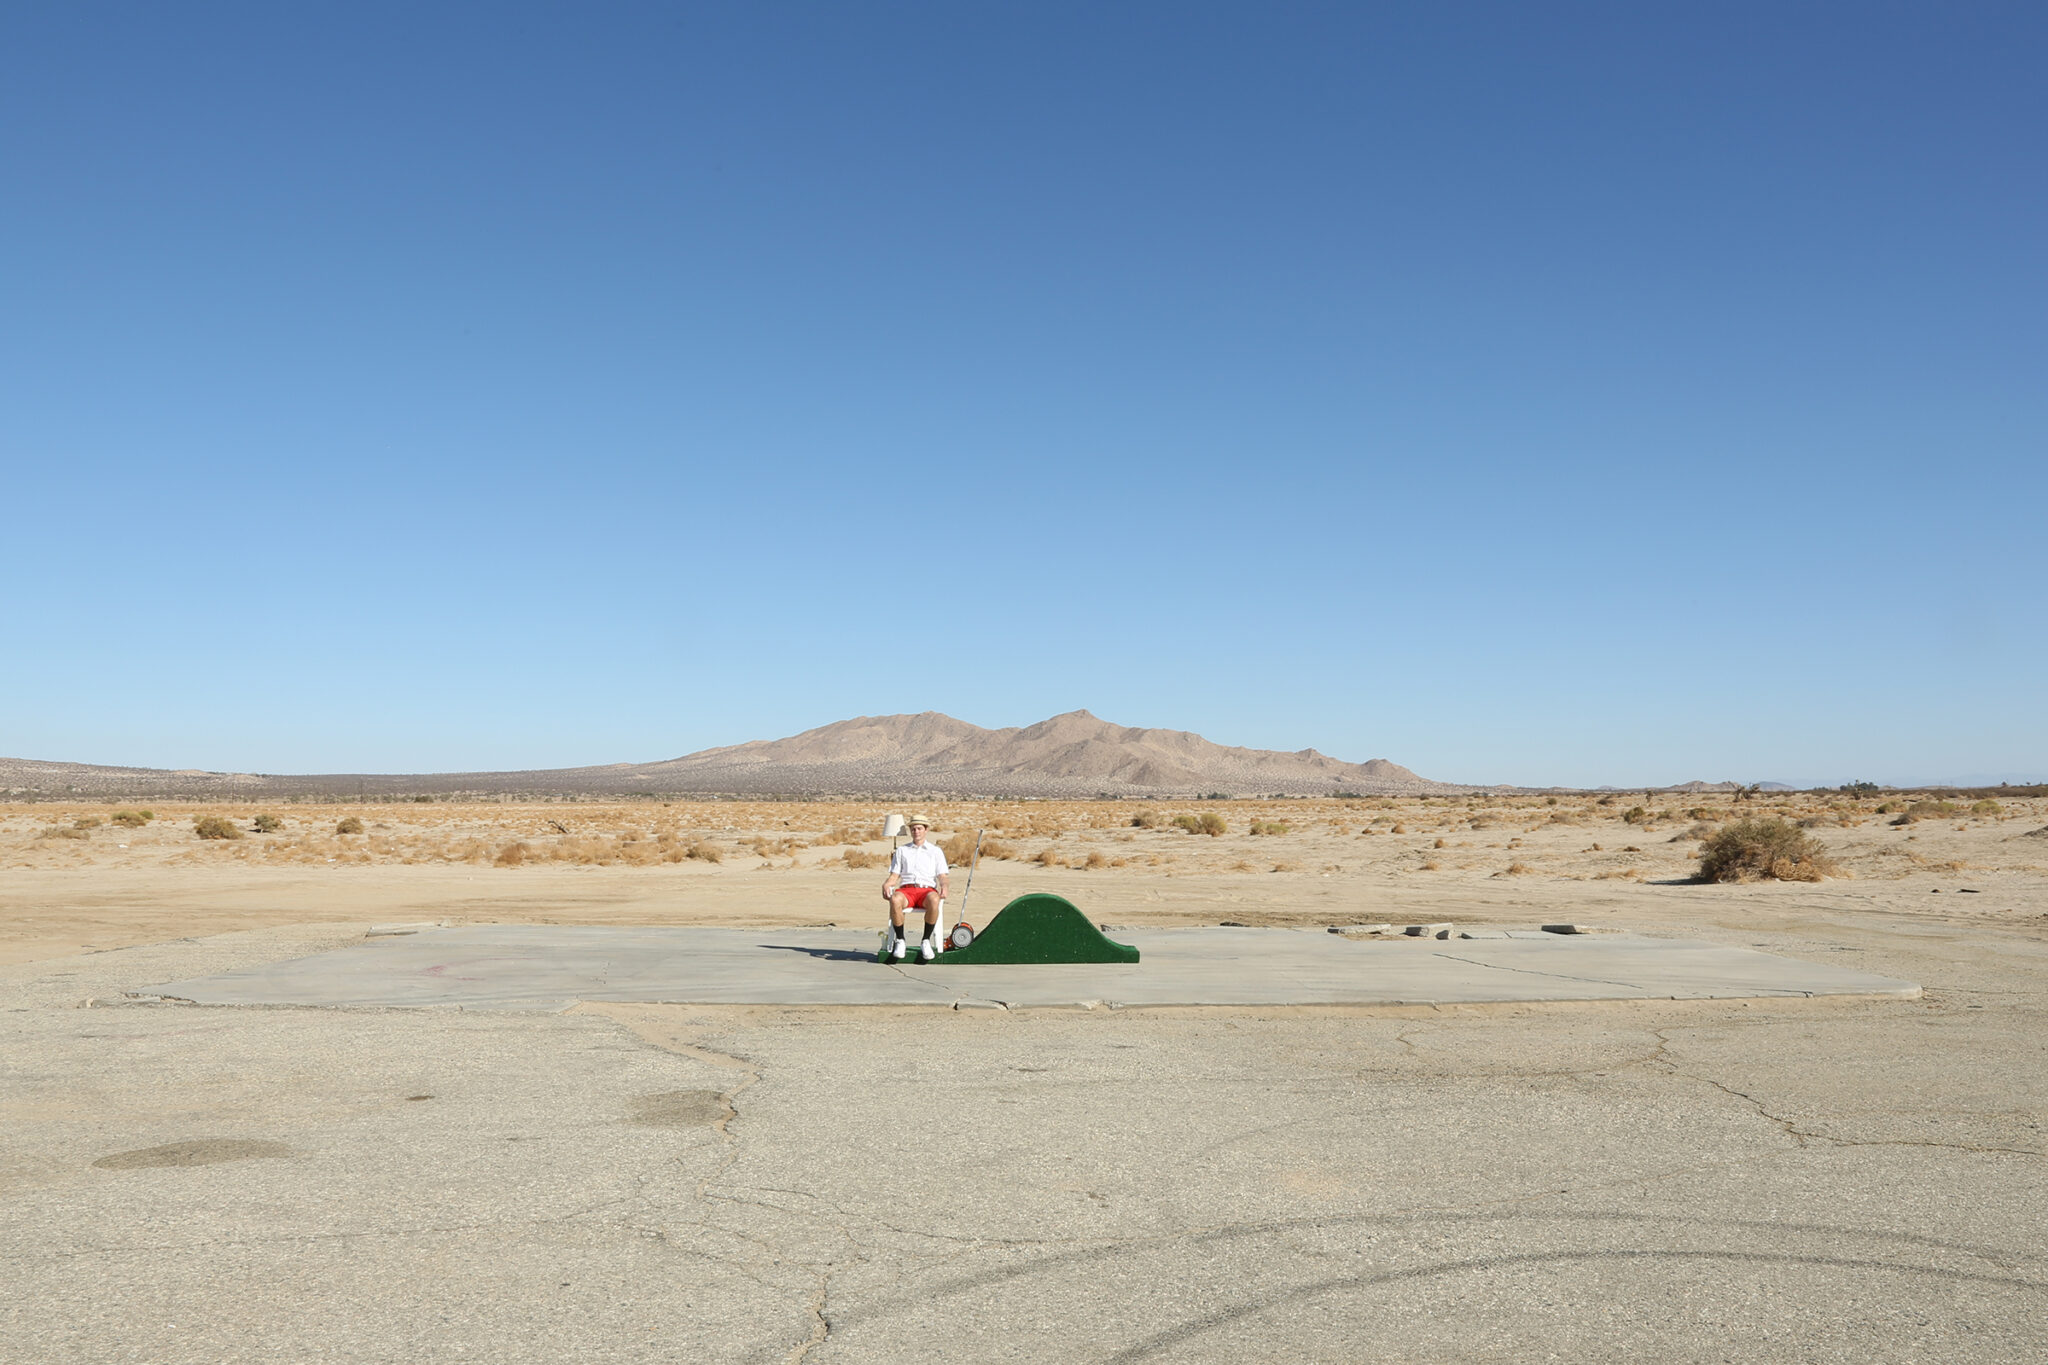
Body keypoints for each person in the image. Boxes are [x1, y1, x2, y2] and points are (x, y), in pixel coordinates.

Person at [883, 817, 949, 961]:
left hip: (927, 890)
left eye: (919, 828)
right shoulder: (902, 850)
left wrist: (944, 886)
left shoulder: (935, 851)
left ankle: (926, 940)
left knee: (934, 900)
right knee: (895, 899)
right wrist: (887, 884)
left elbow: (942, 876)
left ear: (926, 830)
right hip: (907, 890)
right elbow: (894, 875)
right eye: (913, 829)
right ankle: (900, 940)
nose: (916, 832)